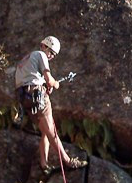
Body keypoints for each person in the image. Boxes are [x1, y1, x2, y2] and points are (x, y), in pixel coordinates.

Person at [15, 36, 86, 175]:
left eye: (54, 54)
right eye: (51, 52)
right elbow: (49, 78)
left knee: (45, 132)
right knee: (52, 132)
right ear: (44, 46)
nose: (52, 56)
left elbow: (30, 79)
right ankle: (68, 161)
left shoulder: (27, 59)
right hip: (36, 95)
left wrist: (44, 85)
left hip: (25, 98)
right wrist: (55, 84)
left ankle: (44, 164)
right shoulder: (41, 55)